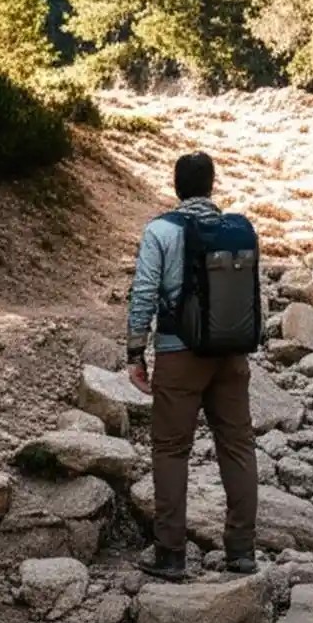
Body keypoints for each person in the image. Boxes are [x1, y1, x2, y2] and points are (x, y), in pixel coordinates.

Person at [126, 151, 260, 580]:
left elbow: (144, 293)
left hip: (178, 354)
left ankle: (170, 551)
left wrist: (135, 353)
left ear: (177, 186)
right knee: (237, 447)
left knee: (170, 449)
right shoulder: (237, 230)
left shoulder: (161, 230)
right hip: (231, 354)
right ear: (211, 185)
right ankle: (241, 551)